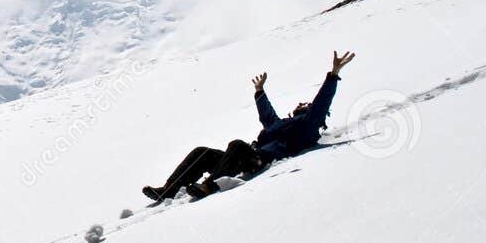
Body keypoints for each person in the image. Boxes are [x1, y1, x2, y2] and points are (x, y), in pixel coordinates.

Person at [142, 50, 356, 202]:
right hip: (244, 156)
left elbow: (321, 104)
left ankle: (209, 185)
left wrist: (333, 75)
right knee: (202, 152)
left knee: (236, 145)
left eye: (304, 104)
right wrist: (259, 92)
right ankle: (168, 191)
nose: (301, 103)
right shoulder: (280, 124)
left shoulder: (308, 125)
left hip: (259, 160)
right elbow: (267, 116)